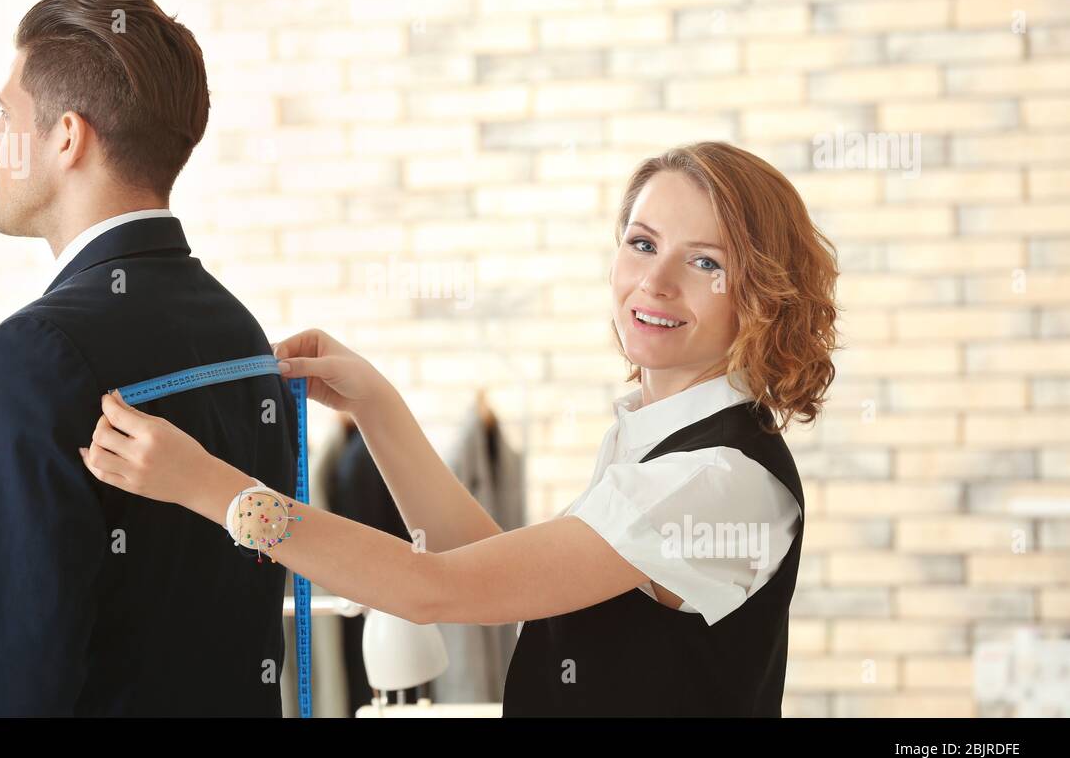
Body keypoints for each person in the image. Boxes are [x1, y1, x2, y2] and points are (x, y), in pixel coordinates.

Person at [79, 141, 841, 716]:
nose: (654, 281)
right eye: (642, 244)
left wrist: (211, 489)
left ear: (763, 295)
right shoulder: (652, 439)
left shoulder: (715, 482)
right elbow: (494, 576)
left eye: (704, 263)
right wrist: (376, 405)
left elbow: (432, 591)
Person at [0, 0, 296, 716]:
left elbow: (12, 685)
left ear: (67, 136)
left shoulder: (32, 357)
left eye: (6, 115)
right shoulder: (242, 336)